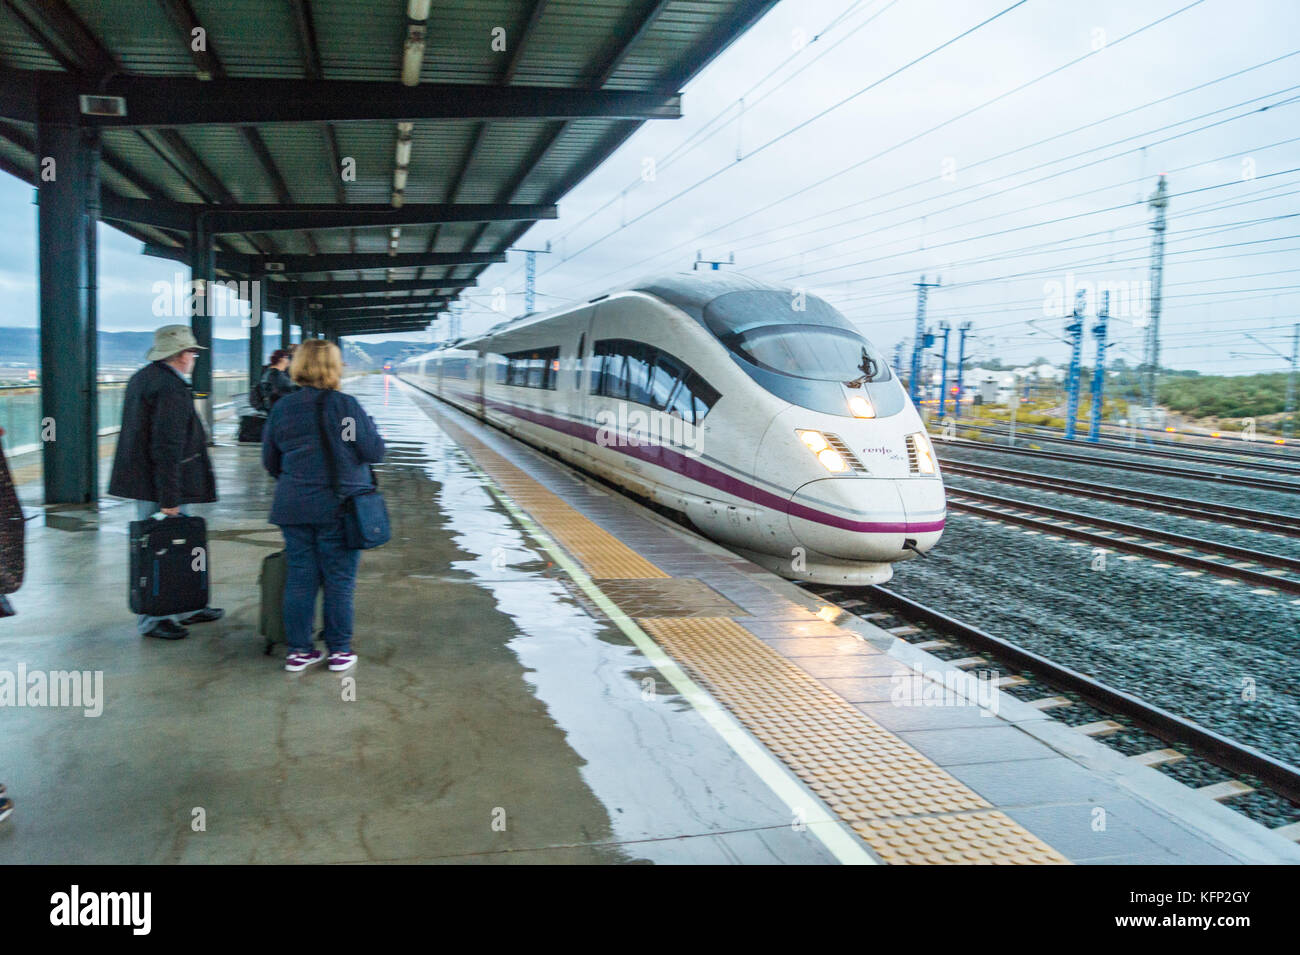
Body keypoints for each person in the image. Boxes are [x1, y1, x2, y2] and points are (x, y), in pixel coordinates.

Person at [262, 340, 384, 673]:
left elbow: (270, 461)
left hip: (294, 507)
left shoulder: (282, 408)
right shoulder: (345, 406)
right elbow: (372, 452)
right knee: (339, 580)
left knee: (300, 579)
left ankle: (299, 651)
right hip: (339, 508)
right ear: (333, 367)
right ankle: (339, 651)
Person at [108, 325, 224, 639]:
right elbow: (166, 446)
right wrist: (169, 498)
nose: (194, 358)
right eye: (192, 352)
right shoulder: (170, 388)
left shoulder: (143, 378)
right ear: (180, 355)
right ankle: (155, 618)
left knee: (171, 546)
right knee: (158, 548)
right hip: (161, 484)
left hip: (147, 480)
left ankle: (185, 606)